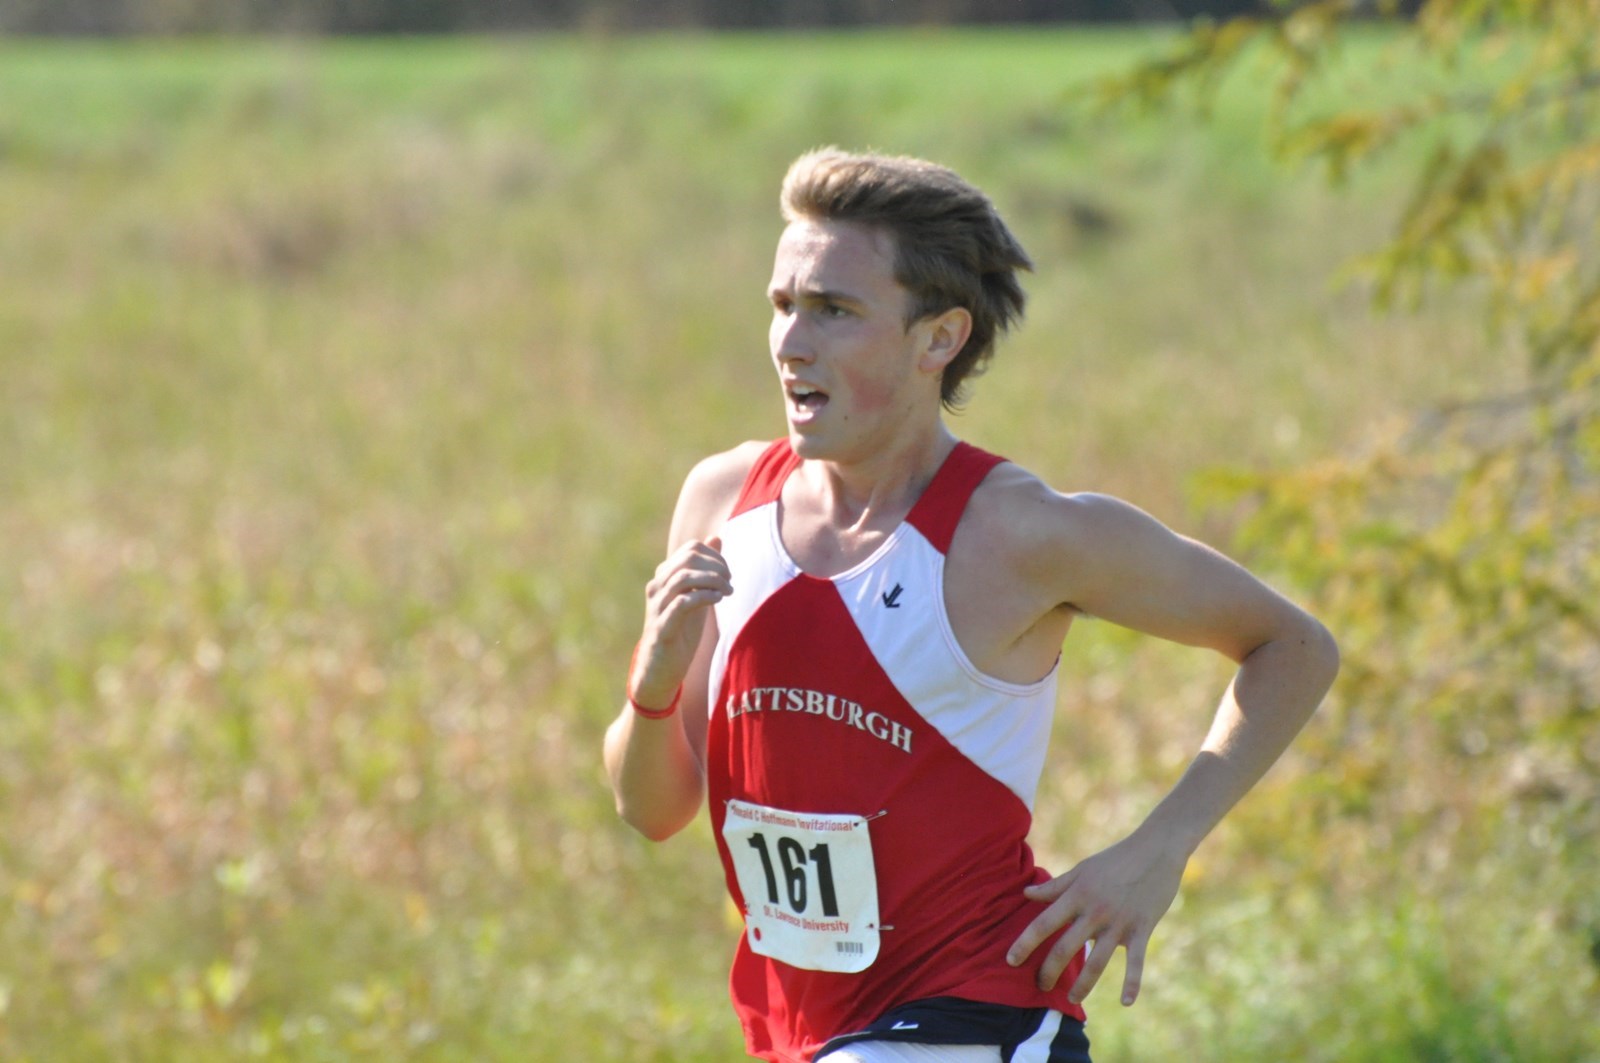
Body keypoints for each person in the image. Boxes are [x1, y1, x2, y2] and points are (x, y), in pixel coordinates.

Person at [602, 148, 1339, 1063]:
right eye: (783, 305)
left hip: (976, 1012)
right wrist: (655, 684)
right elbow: (652, 808)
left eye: (835, 310)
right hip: (804, 1029)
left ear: (938, 338)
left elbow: (1293, 645)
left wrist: (1158, 850)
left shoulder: (1017, 532)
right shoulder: (721, 503)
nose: (792, 342)